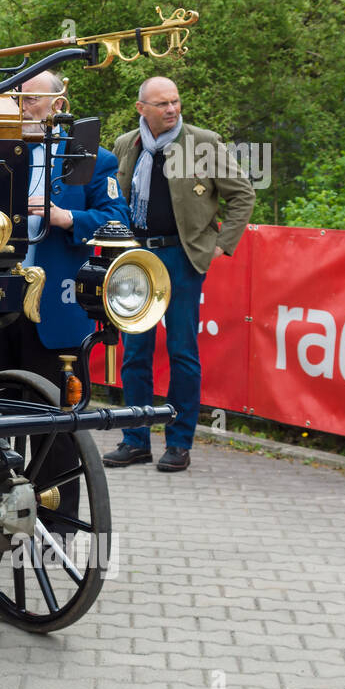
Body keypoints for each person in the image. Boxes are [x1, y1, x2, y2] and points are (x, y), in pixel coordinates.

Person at [0, 70, 129, 553]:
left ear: (59, 102)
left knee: (57, 419)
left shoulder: (91, 160)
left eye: (33, 97)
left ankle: (59, 523)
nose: (23, 104)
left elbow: (118, 223)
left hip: (57, 309)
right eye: (18, 95)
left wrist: (66, 218)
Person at [102, 76, 254, 472]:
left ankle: (179, 442)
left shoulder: (202, 143)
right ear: (142, 110)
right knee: (135, 353)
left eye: (175, 102)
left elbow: (242, 194)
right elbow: (115, 200)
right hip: (135, 258)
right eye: (162, 104)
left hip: (181, 258)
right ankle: (135, 439)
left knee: (182, 351)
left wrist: (221, 246)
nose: (171, 109)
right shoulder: (125, 145)